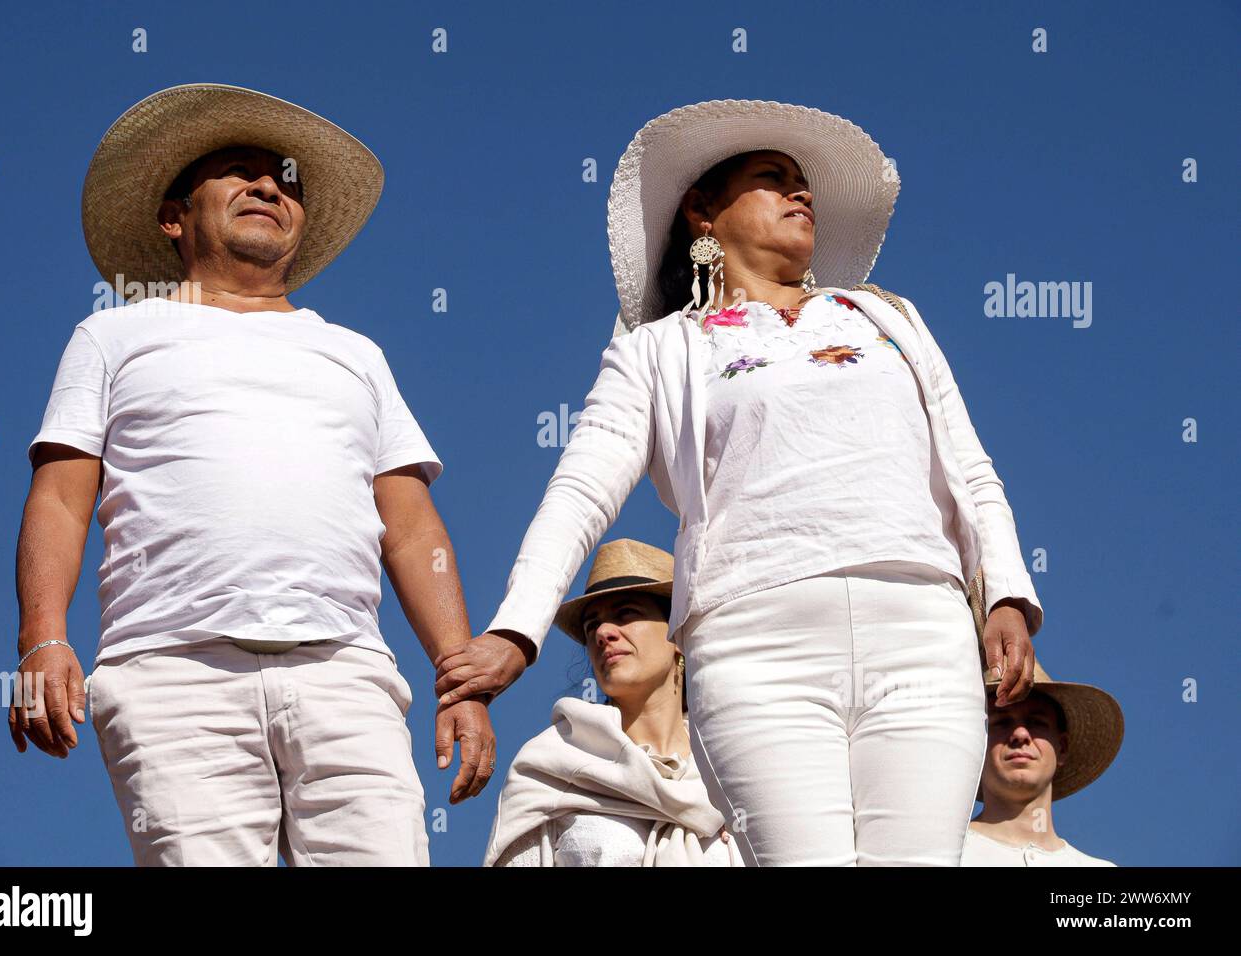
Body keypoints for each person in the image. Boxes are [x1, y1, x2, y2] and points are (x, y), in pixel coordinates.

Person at [438, 100, 1044, 866]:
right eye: (773, 178)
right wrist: (516, 630)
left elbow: (969, 467)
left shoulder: (887, 318)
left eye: (806, 186)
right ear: (702, 211)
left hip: (922, 631)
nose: (804, 195)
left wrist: (1006, 592)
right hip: (758, 644)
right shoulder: (657, 350)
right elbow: (582, 490)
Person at [12, 83, 494, 866]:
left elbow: (410, 527)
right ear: (175, 216)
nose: (270, 186)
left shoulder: (355, 354)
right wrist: (42, 642)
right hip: (172, 669)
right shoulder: (112, 337)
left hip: (347, 672)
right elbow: (62, 501)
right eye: (239, 171)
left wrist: (459, 678)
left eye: (287, 181)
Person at [483, 539, 741, 866]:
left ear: (678, 636)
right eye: (592, 625)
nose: (604, 632)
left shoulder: (732, 770)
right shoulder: (552, 764)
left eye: (625, 613)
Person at [962, 660, 1122, 866]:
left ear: (1062, 747)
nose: (1020, 734)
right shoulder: (943, 855)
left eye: (1036, 722)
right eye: (1001, 722)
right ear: (979, 742)